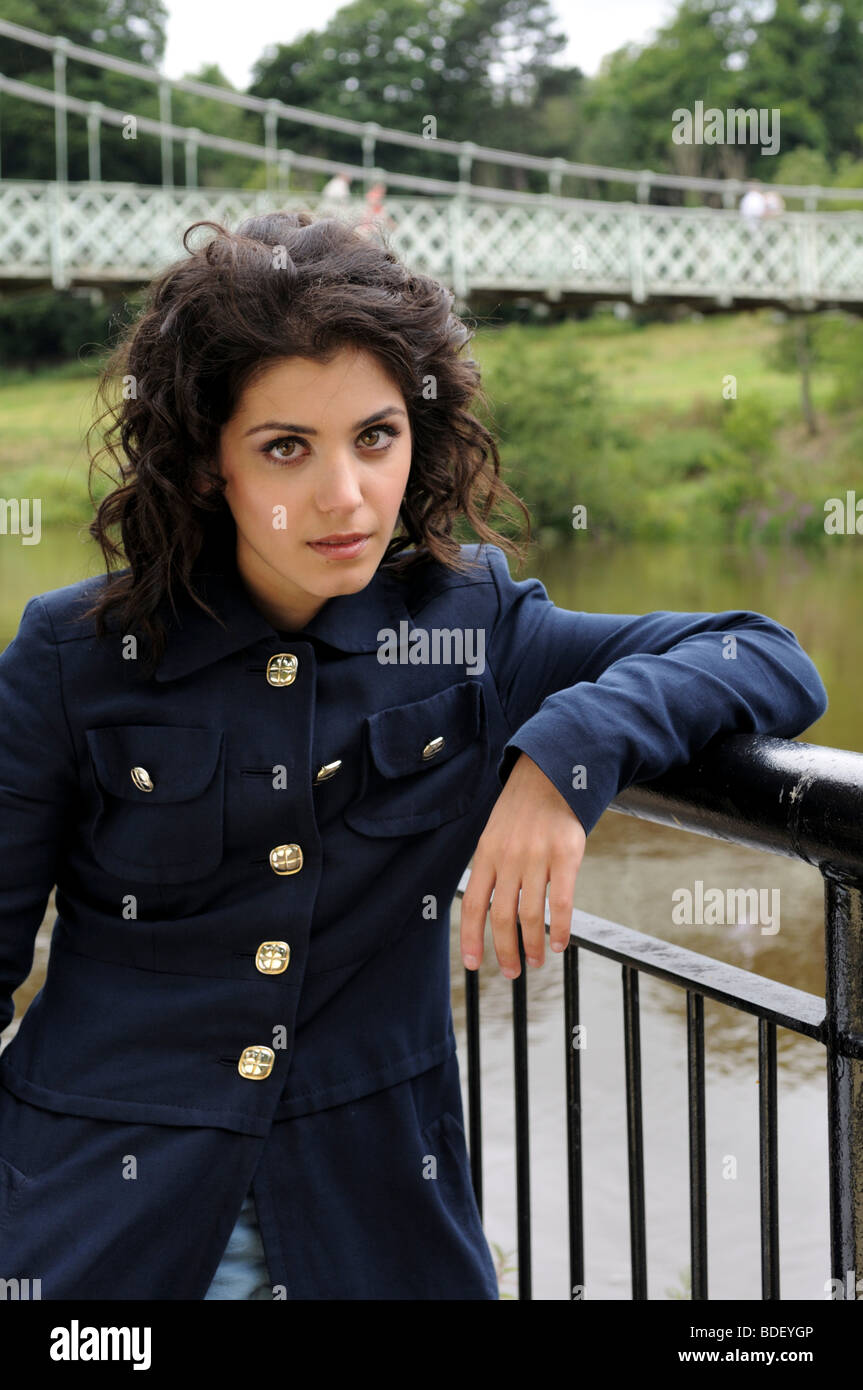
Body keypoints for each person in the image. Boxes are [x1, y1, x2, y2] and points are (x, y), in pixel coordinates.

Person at [0, 210, 829, 1300]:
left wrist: (563, 754)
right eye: (285, 446)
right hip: (98, 1229)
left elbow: (763, 654)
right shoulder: (76, 654)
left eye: (375, 437)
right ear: (209, 464)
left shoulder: (466, 624)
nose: (344, 496)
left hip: (372, 1225)